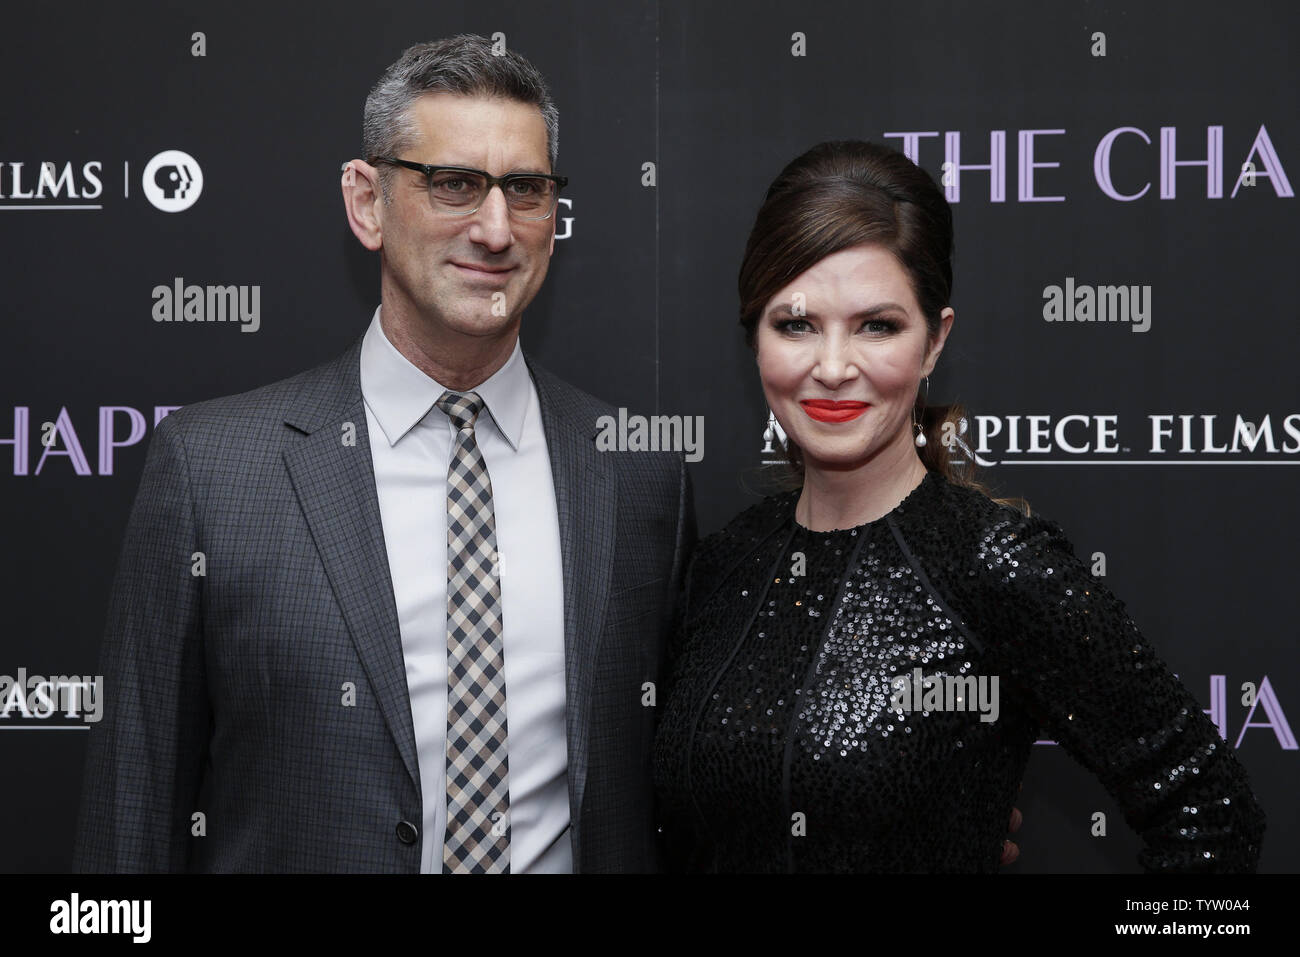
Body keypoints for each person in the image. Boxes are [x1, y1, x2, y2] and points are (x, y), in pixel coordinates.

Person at [73, 34, 693, 873]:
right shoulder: (212, 470)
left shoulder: (637, 470)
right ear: (367, 202)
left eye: (528, 189)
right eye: (454, 185)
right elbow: (133, 815)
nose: (496, 228)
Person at [652, 140, 1266, 872]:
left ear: (934, 341)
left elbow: (1212, 812)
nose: (834, 366)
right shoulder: (725, 563)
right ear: (754, 337)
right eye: (796, 323)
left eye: (877, 325)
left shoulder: (994, 563)